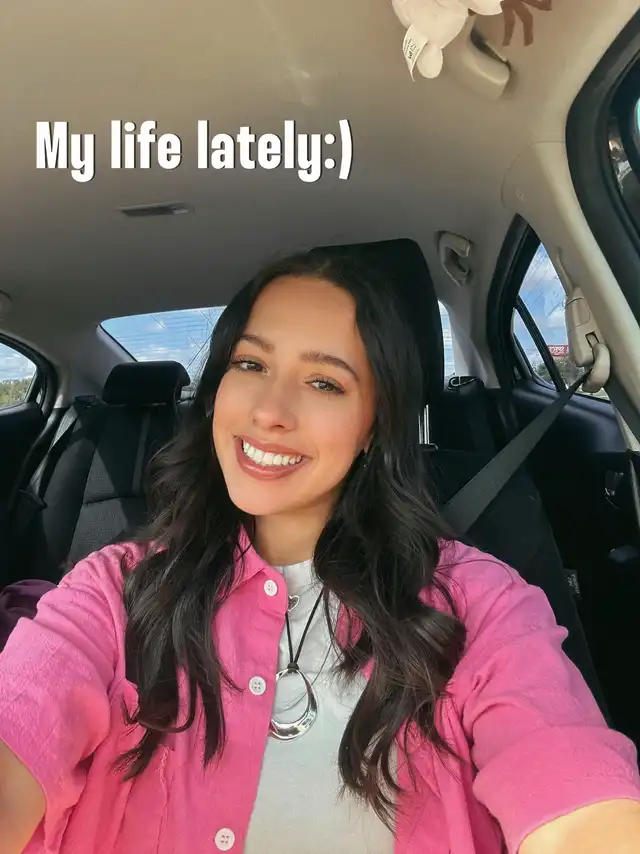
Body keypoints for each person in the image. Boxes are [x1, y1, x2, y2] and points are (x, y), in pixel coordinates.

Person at [1, 246, 640, 854]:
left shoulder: (480, 604)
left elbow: (572, 794)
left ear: (374, 424)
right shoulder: (114, 590)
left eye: (325, 383)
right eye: (251, 365)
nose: (270, 411)